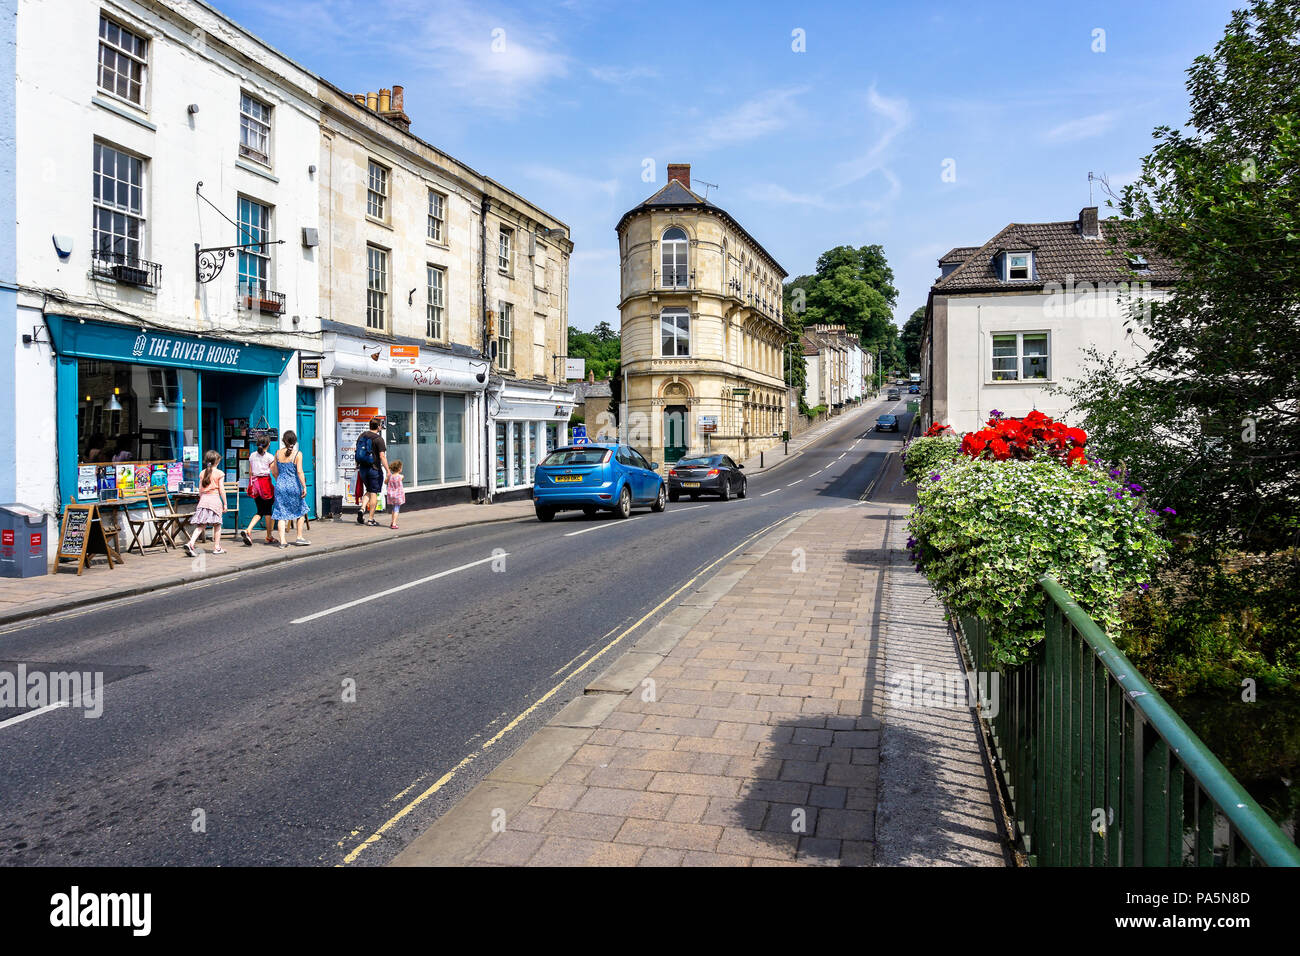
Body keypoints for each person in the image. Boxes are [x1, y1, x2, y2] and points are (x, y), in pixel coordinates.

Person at [183, 451, 226, 557]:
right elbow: (222, 489)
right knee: (217, 524)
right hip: (214, 499)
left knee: (201, 525)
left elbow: (201, 490)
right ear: (217, 461)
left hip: (204, 500)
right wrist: (225, 503)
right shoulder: (220, 473)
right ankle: (217, 547)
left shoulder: (202, 472)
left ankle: (191, 543)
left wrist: (201, 500)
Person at [271, 431, 310, 548]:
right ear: (295, 441)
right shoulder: (298, 454)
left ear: (283, 440)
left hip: (280, 486)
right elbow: (299, 472)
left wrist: (280, 481)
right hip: (294, 485)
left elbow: (274, 471)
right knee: (301, 510)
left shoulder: (277, 453)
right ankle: (299, 537)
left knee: (281, 513)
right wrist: (304, 486)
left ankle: (283, 541)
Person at [240, 435, 276, 546]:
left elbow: (250, 472)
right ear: (268, 444)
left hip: (255, 484)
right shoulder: (270, 457)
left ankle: (248, 530)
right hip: (265, 484)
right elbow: (274, 472)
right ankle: (269, 537)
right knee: (268, 511)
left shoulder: (252, 456)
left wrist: (250, 484)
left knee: (260, 511)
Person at [353, 416, 388, 527]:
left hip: (363, 469)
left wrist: (357, 465)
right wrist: (388, 470)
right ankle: (371, 519)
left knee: (369, 490)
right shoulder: (378, 439)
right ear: (378, 427)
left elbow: (356, 451)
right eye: (380, 425)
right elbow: (382, 456)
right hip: (374, 469)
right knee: (374, 493)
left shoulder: (362, 436)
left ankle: (362, 509)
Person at [386, 460, 406, 530]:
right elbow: (402, 477)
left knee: (393, 508)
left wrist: (388, 477)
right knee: (397, 509)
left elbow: (385, 482)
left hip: (391, 495)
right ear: (399, 468)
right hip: (398, 495)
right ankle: (394, 523)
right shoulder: (400, 476)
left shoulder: (390, 477)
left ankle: (392, 522)